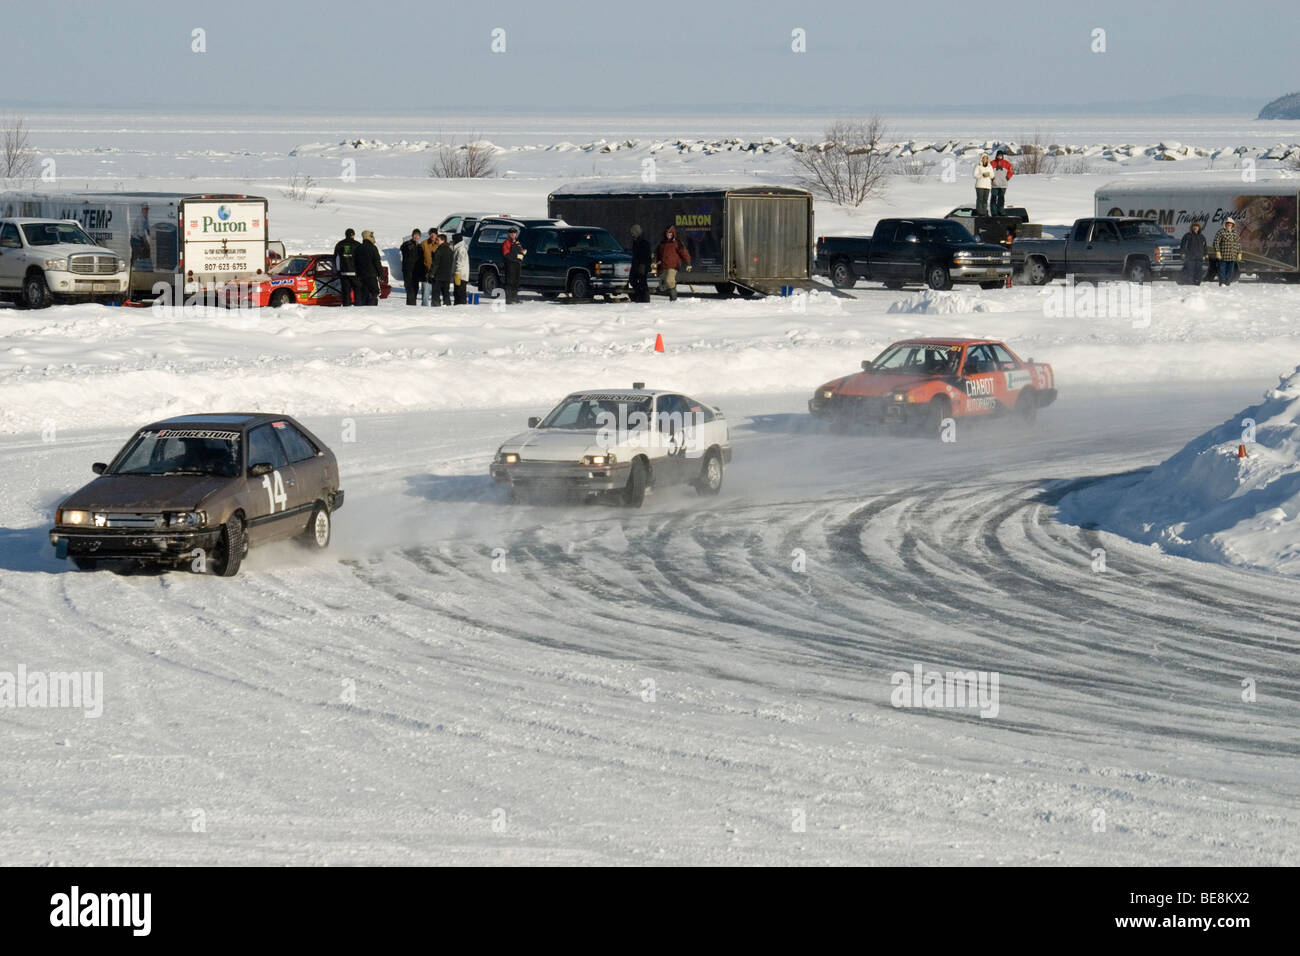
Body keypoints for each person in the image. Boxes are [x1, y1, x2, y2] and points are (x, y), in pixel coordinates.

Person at [654, 225, 691, 301]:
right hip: (663, 267)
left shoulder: (677, 243)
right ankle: (670, 291)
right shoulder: (662, 243)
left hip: (673, 267)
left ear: (673, 234)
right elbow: (657, 254)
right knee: (661, 285)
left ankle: (673, 298)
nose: (669, 235)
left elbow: (684, 253)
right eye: (667, 233)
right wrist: (654, 262)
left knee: (669, 281)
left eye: (670, 233)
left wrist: (688, 263)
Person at [334, 228, 361, 306]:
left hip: (344, 272)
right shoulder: (357, 244)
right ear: (353, 235)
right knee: (357, 290)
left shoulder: (340, 244)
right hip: (355, 272)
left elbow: (336, 258)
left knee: (346, 291)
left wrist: (338, 270)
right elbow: (360, 259)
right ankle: (358, 306)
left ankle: (346, 307)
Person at [1213, 217, 1242, 286]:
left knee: (1230, 271)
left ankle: (1227, 283)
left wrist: (1239, 253)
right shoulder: (1221, 232)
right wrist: (1217, 252)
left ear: (1233, 225)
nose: (1229, 225)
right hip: (1223, 256)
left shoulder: (1235, 233)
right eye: (1228, 224)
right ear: (1225, 224)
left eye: (1231, 224)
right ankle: (1222, 283)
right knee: (1222, 271)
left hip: (1232, 256)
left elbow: (1239, 244)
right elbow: (1215, 242)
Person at [400, 228, 425, 306]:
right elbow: (402, 248)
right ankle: (411, 305)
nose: (416, 237)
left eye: (418, 235)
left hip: (416, 271)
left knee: (415, 288)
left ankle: (412, 304)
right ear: (412, 235)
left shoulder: (420, 246)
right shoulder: (407, 244)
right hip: (408, 270)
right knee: (409, 288)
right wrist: (408, 246)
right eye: (415, 235)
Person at [358, 230, 383, 306]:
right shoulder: (373, 248)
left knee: (364, 294)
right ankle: (372, 310)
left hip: (361, 276)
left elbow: (355, 262)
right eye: (372, 236)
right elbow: (377, 262)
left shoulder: (358, 248)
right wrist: (381, 274)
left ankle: (364, 310)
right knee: (374, 292)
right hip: (372, 275)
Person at [1180, 221, 1208, 285]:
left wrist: (1206, 254)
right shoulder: (1187, 236)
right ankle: (1189, 283)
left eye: (1197, 226)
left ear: (1199, 228)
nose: (1195, 227)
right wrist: (1183, 253)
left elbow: (1205, 247)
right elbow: (1183, 245)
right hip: (1190, 257)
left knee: (1199, 271)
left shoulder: (1202, 237)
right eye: (1194, 226)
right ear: (1192, 227)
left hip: (1199, 257)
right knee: (1190, 271)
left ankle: (1197, 283)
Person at [502, 227, 525, 304]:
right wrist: (515, 258)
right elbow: (506, 254)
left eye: (514, 233)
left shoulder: (517, 242)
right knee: (510, 282)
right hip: (510, 265)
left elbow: (521, 250)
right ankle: (509, 299)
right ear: (509, 234)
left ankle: (514, 298)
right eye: (511, 233)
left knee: (516, 281)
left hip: (517, 265)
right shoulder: (507, 242)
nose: (513, 234)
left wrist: (522, 254)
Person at [629, 224, 651, 303]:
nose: (632, 234)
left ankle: (644, 298)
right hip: (636, 264)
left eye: (633, 232)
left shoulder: (644, 242)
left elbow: (646, 255)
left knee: (642, 282)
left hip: (642, 265)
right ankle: (640, 296)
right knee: (633, 280)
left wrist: (643, 265)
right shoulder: (635, 242)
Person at [431, 233, 453, 306]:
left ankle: (436, 307)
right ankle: (448, 306)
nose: (436, 241)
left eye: (438, 240)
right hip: (447, 276)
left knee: (436, 293)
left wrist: (432, 274)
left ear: (443, 240)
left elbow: (435, 263)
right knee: (446, 293)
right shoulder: (450, 250)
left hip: (439, 276)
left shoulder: (439, 250)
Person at [990, 151, 1014, 216]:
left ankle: (1001, 211)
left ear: (1002, 156)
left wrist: (1007, 178)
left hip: (1003, 185)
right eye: (998, 155)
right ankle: (994, 212)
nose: (999, 157)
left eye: (1000, 155)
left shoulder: (1007, 163)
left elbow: (1011, 171)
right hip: (994, 185)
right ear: (996, 156)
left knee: (1001, 199)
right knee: (993, 199)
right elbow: (989, 171)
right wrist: (992, 179)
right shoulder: (992, 163)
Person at [420, 228, 439, 305]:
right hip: (426, 273)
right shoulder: (424, 243)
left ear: (436, 235)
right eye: (431, 234)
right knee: (425, 293)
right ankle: (424, 309)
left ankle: (435, 311)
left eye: (434, 234)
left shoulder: (439, 244)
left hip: (436, 273)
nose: (432, 235)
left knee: (435, 295)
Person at [452, 233, 470, 305]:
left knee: (460, 293)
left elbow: (460, 261)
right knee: (457, 292)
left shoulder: (461, 249)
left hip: (461, 275)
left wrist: (457, 272)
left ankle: (461, 307)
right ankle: (458, 306)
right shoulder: (459, 248)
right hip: (460, 274)